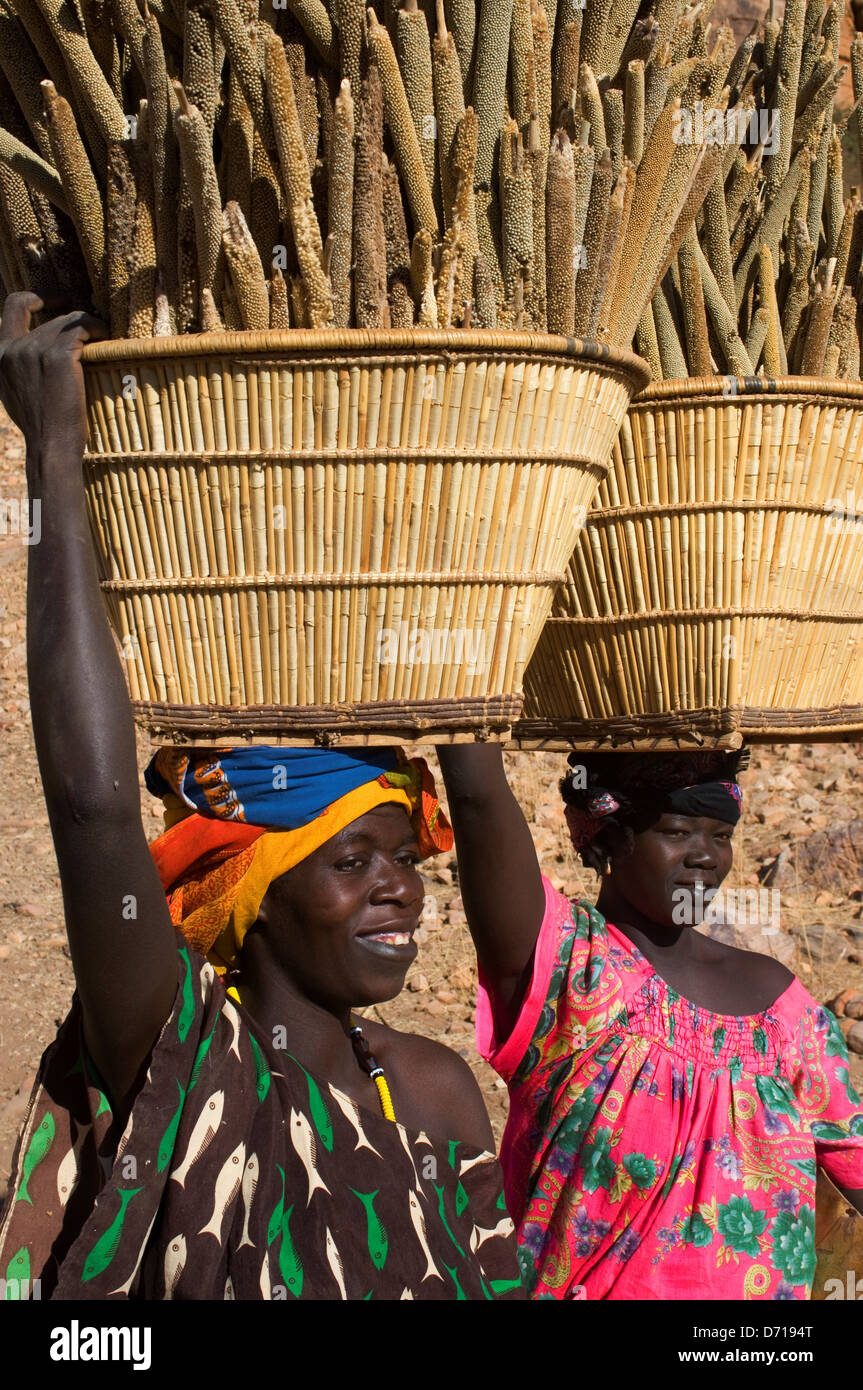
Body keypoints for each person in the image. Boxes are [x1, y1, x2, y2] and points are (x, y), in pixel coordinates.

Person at [0, 294, 522, 1301]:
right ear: (251, 882)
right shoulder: (184, 1058)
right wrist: (54, 461)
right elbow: (92, 806)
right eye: (350, 859)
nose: (401, 890)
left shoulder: (433, 1094)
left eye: (404, 860)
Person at [437, 743, 863, 1300]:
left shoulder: (781, 1005)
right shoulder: (570, 969)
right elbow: (476, 798)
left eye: (721, 835)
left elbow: (852, 1156)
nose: (705, 856)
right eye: (678, 832)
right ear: (610, 838)